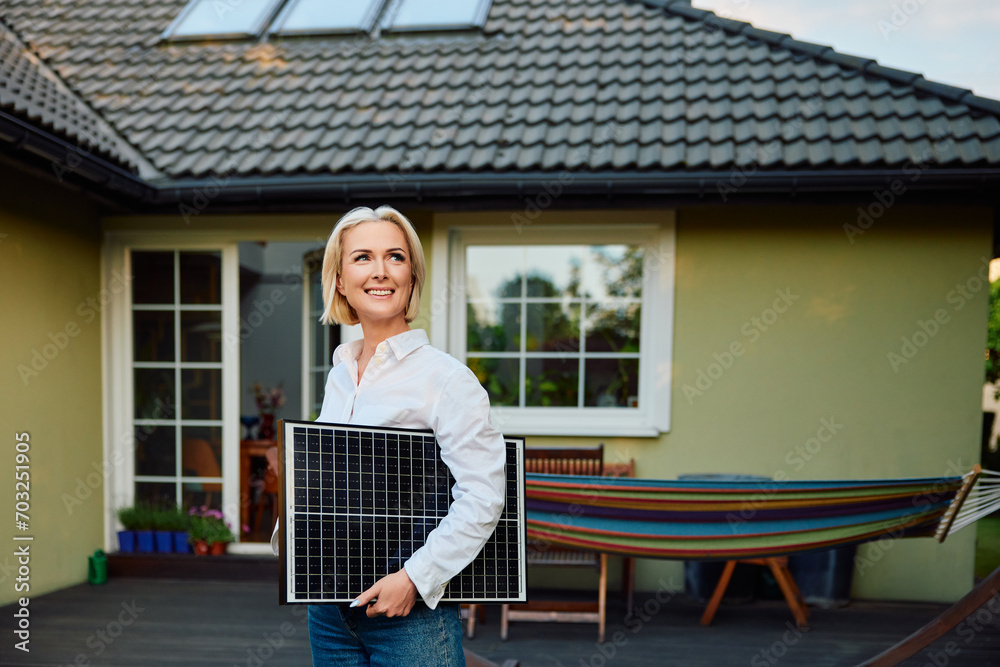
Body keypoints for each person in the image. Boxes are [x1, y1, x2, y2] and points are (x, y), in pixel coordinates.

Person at [271, 205, 507, 666]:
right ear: (339, 280)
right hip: (329, 610)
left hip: (410, 615)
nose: (380, 271)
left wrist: (415, 579)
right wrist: (291, 545)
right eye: (362, 257)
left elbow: (483, 496)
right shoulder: (339, 373)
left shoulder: (446, 379)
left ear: (411, 276)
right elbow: (332, 479)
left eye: (395, 257)